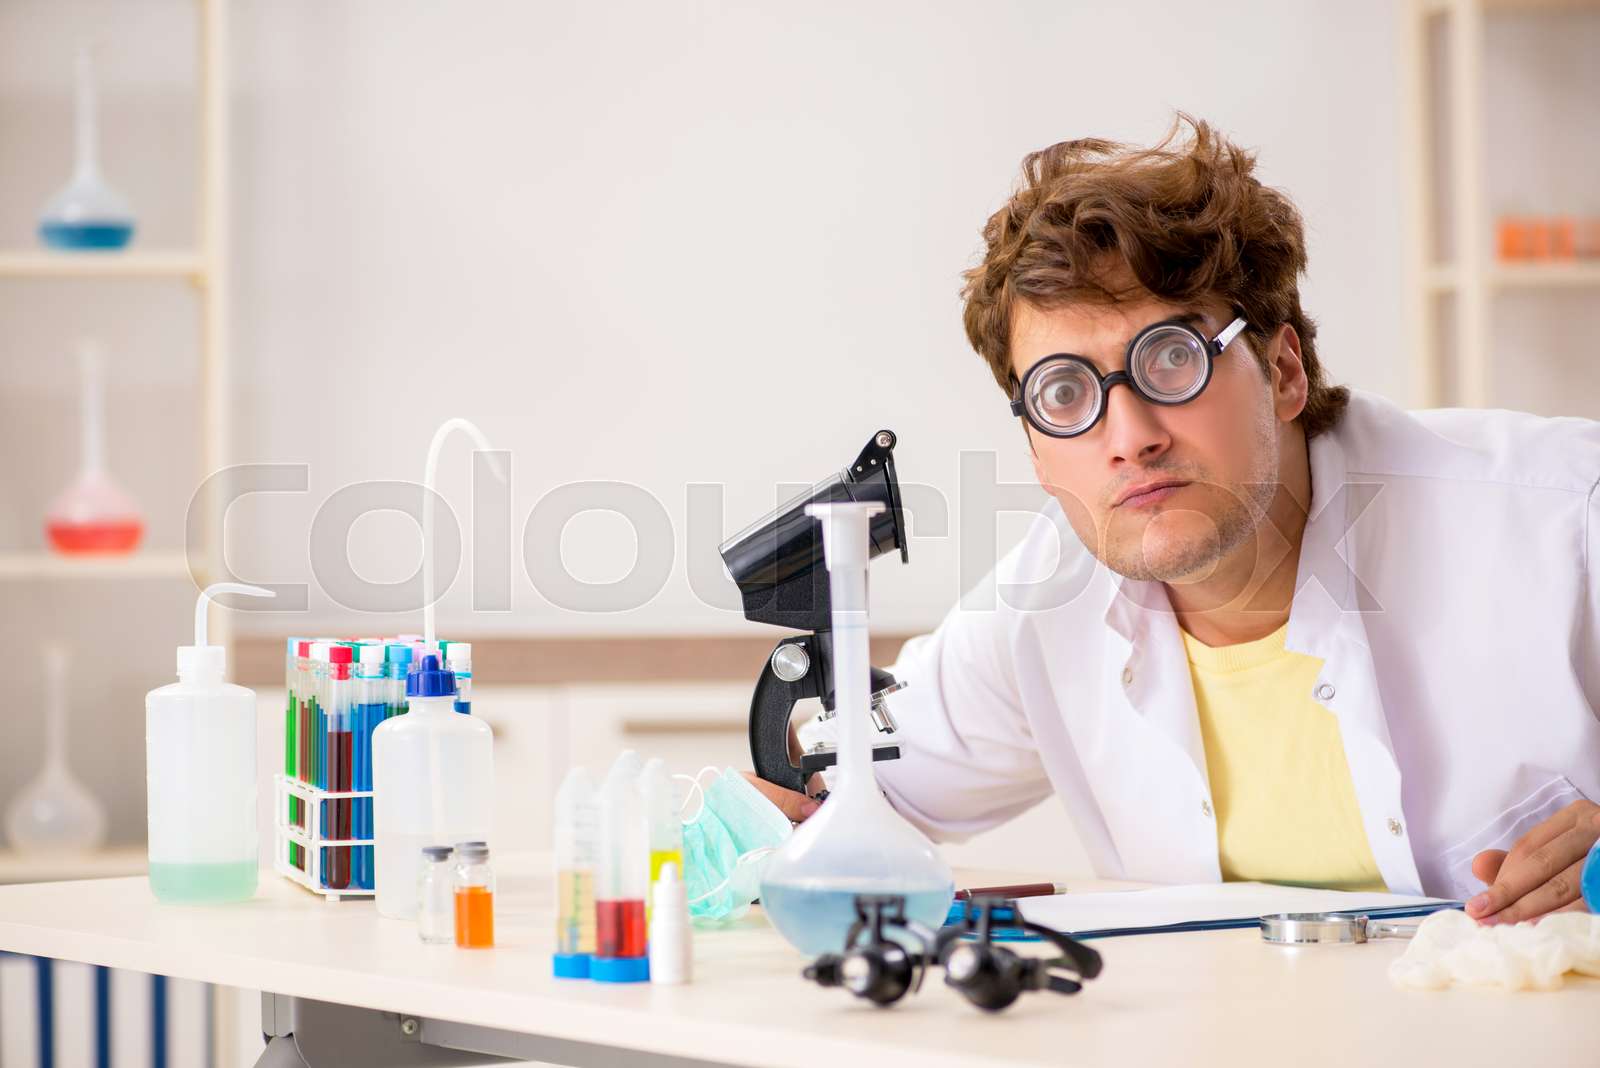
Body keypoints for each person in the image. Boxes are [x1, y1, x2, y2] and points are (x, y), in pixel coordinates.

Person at [749, 116, 1600, 923]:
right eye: (1064, 392)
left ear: (1283, 371)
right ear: (1037, 449)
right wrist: (738, 829)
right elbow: (831, 804)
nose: (1131, 438)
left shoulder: (1562, 518)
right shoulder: (1038, 616)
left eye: (1171, 360)